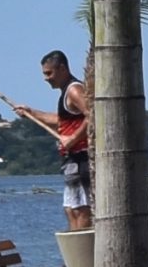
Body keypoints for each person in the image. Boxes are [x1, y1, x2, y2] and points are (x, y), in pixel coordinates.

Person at [17, 50, 92, 232]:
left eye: (49, 73)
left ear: (63, 68)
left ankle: (82, 254)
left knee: (81, 209)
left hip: (81, 157)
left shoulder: (74, 90)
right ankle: (74, 253)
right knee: (70, 209)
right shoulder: (65, 93)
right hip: (70, 160)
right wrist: (31, 113)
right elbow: (61, 120)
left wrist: (72, 139)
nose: (46, 78)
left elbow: (92, 115)